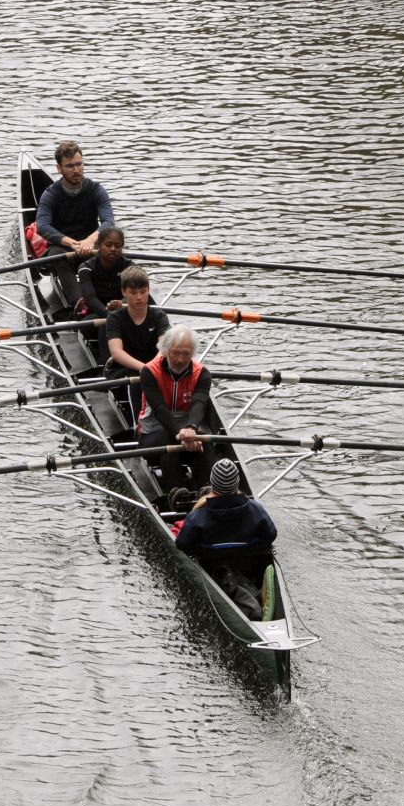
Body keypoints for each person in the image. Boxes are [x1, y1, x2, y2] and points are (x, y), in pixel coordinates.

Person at [175, 458, 277, 619]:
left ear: (213, 485)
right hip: (249, 569)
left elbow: (182, 544)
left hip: (214, 570)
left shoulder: (197, 516)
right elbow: (270, 536)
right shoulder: (256, 509)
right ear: (237, 484)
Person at [138, 325, 215, 502]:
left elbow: (199, 404)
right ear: (165, 351)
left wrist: (191, 428)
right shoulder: (149, 372)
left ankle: (208, 491)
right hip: (152, 436)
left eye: (186, 354)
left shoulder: (202, 374)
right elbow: (159, 409)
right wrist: (181, 433)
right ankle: (176, 493)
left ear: (193, 353)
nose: (180, 359)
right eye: (175, 353)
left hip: (188, 432)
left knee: (206, 441)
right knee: (169, 440)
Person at [34, 140, 115, 308]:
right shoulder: (50, 194)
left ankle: (116, 297)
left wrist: (90, 241)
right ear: (59, 168)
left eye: (79, 164)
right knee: (58, 256)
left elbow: (108, 222)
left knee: (112, 252)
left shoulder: (96, 190)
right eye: (70, 166)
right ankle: (80, 304)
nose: (76, 170)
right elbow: (42, 226)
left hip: (89, 246)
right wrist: (73, 243)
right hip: (62, 248)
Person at [105, 265, 169, 420]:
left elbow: (164, 346)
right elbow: (116, 352)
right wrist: (145, 368)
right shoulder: (115, 318)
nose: (139, 297)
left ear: (148, 290)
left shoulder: (159, 316)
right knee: (138, 380)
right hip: (123, 371)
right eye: (133, 293)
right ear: (124, 292)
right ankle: (138, 427)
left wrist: (153, 366)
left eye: (143, 292)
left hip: (153, 367)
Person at [74, 226, 133, 320]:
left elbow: (138, 294)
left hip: (121, 312)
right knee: (105, 324)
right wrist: (110, 316)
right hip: (94, 314)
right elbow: (90, 299)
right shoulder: (86, 268)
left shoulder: (129, 267)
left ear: (122, 247)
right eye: (108, 245)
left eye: (117, 246)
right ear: (99, 246)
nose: (113, 249)